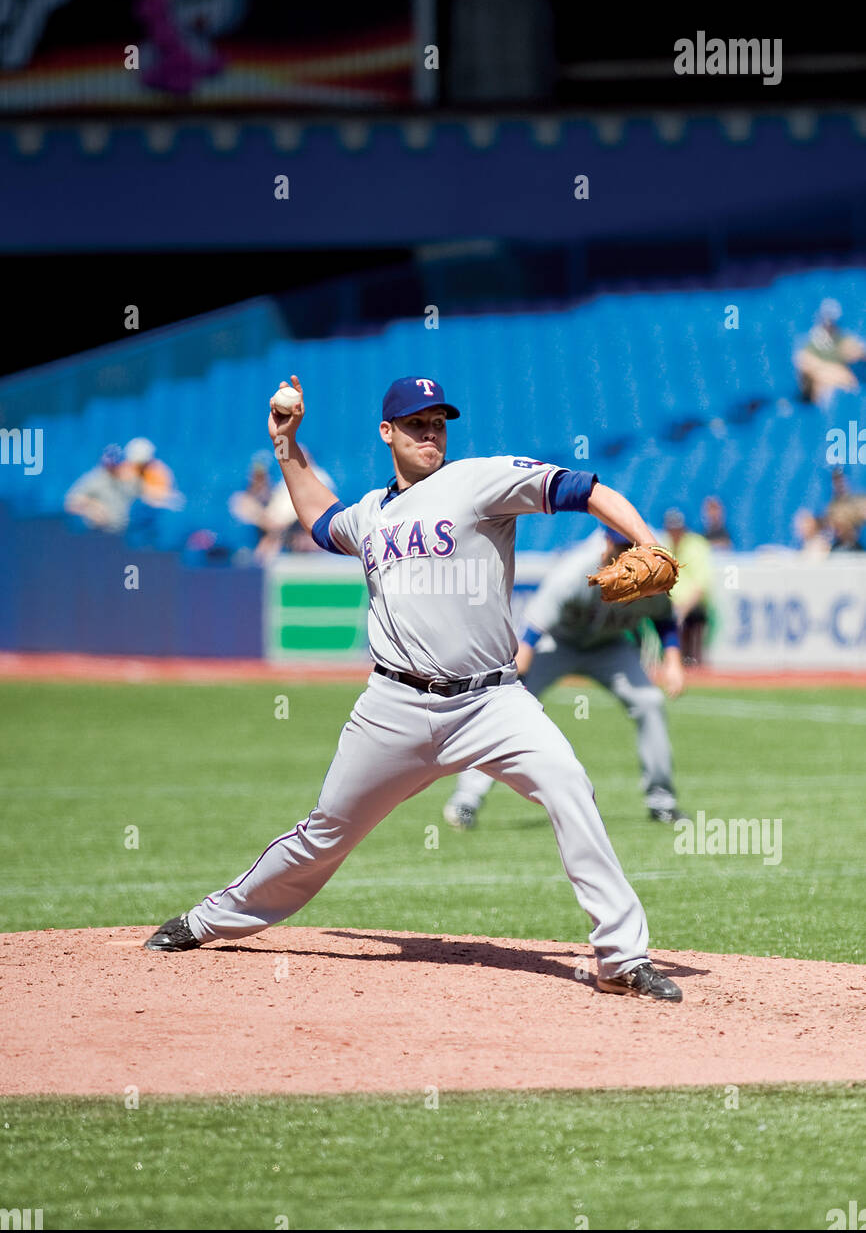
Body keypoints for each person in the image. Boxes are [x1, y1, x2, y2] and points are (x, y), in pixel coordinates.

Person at [144, 374, 684, 1003]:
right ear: (388, 433)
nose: (431, 432)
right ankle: (210, 919)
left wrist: (647, 542)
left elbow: (585, 490)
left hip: (491, 701)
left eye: (439, 422)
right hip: (393, 708)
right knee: (324, 833)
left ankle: (621, 957)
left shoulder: (479, 480)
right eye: (417, 422)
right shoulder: (372, 514)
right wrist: (287, 446)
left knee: (569, 786)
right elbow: (320, 517)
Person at [443, 527, 686, 831]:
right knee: (506, 710)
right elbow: (532, 631)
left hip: (609, 646)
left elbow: (664, 618)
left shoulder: (648, 571)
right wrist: (517, 680)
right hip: (558, 643)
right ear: (607, 543)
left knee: (649, 702)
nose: (628, 553)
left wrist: (674, 661)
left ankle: (661, 803)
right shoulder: (576, 570)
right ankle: (466, 799)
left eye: (633, 546)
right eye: (623, 545)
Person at [661, 508, 713, 667]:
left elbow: (701, 585)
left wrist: (683, 609)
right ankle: (672, 660)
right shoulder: (661, 543)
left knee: (690, 617)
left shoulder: (697, 546)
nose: (674, 532)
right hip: (667, 603)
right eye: (671, 528)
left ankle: (692, 662)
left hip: (692, 605)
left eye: (677, 528)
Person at [794, 299, 866, 409]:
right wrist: (833, 371)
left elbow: (857, 350)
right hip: (823, 390)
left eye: (833, 320)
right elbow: (804, 362)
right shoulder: (810, 341)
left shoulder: (842, 338)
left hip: (844, 386)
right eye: (827, 320)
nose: (829, 324)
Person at [64, 444, 136, 533]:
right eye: (110, 461)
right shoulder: (94, 479)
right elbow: (70, 503)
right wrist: (92, 506)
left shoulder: (129, 479)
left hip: (124, 532)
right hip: (100, 533)